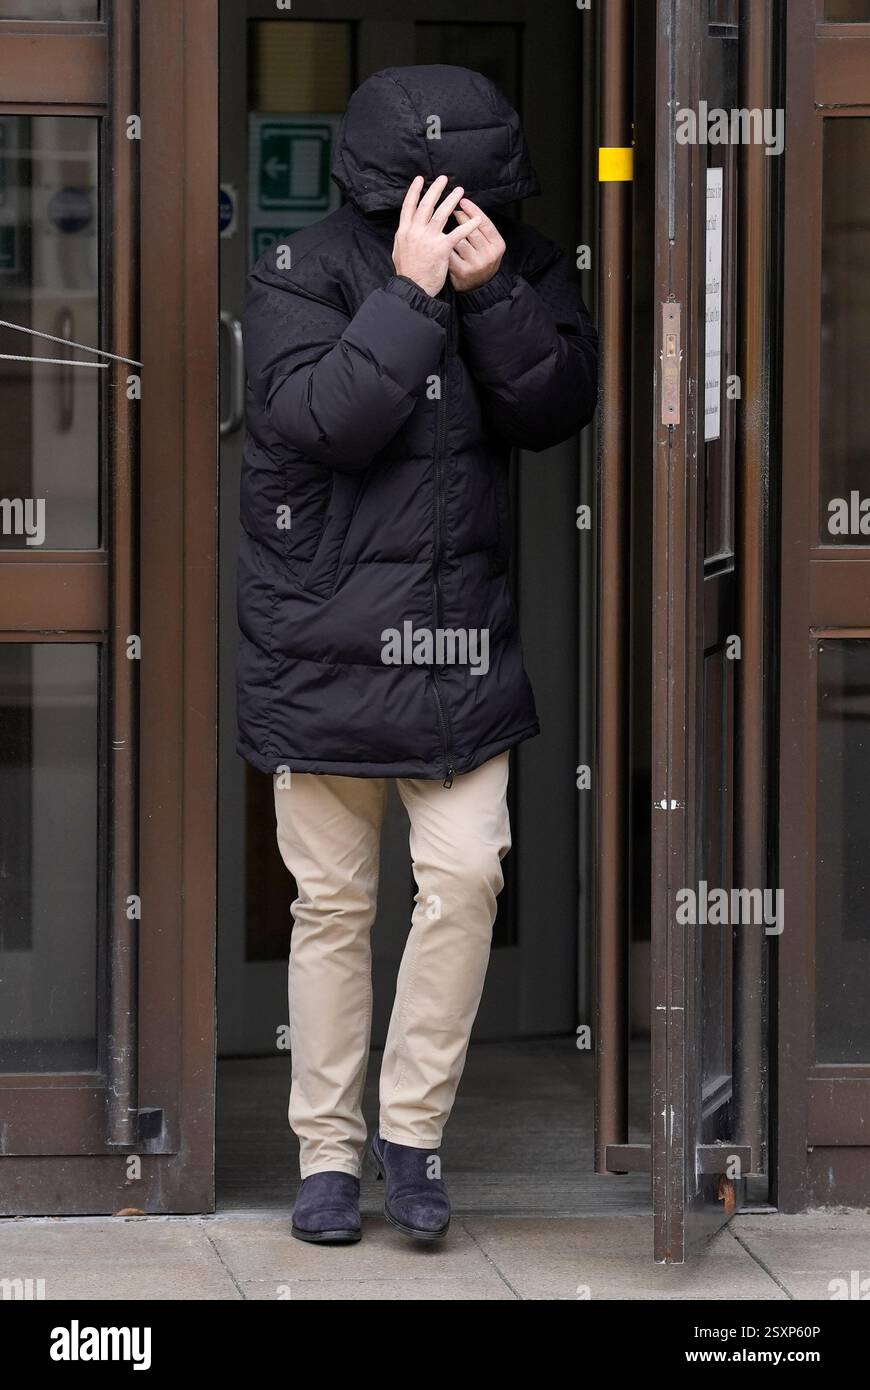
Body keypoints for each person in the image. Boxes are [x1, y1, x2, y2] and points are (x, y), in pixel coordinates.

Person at [238, 64, 598, 1245]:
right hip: (317, 648)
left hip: (457, 655)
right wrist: (409, 291)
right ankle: (328, 1157)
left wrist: (491, 294)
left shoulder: (528, 262)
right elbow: (325, 419)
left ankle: (413, 1133)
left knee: (465, 881)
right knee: (332, 908)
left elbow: (556, 407)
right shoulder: (300, 270)